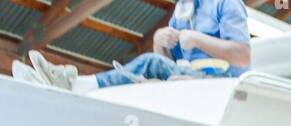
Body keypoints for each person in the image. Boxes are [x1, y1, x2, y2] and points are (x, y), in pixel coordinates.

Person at [13, 0, 250, 91]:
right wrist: (159, 42)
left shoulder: (227, 3)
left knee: (146, 62)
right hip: (188, 84)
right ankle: (60, 81)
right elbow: (165, 66)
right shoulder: (181, 12)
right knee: (151, 63)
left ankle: (73, 83)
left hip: (220, 84)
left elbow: (243, 57)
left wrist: (199, 39)